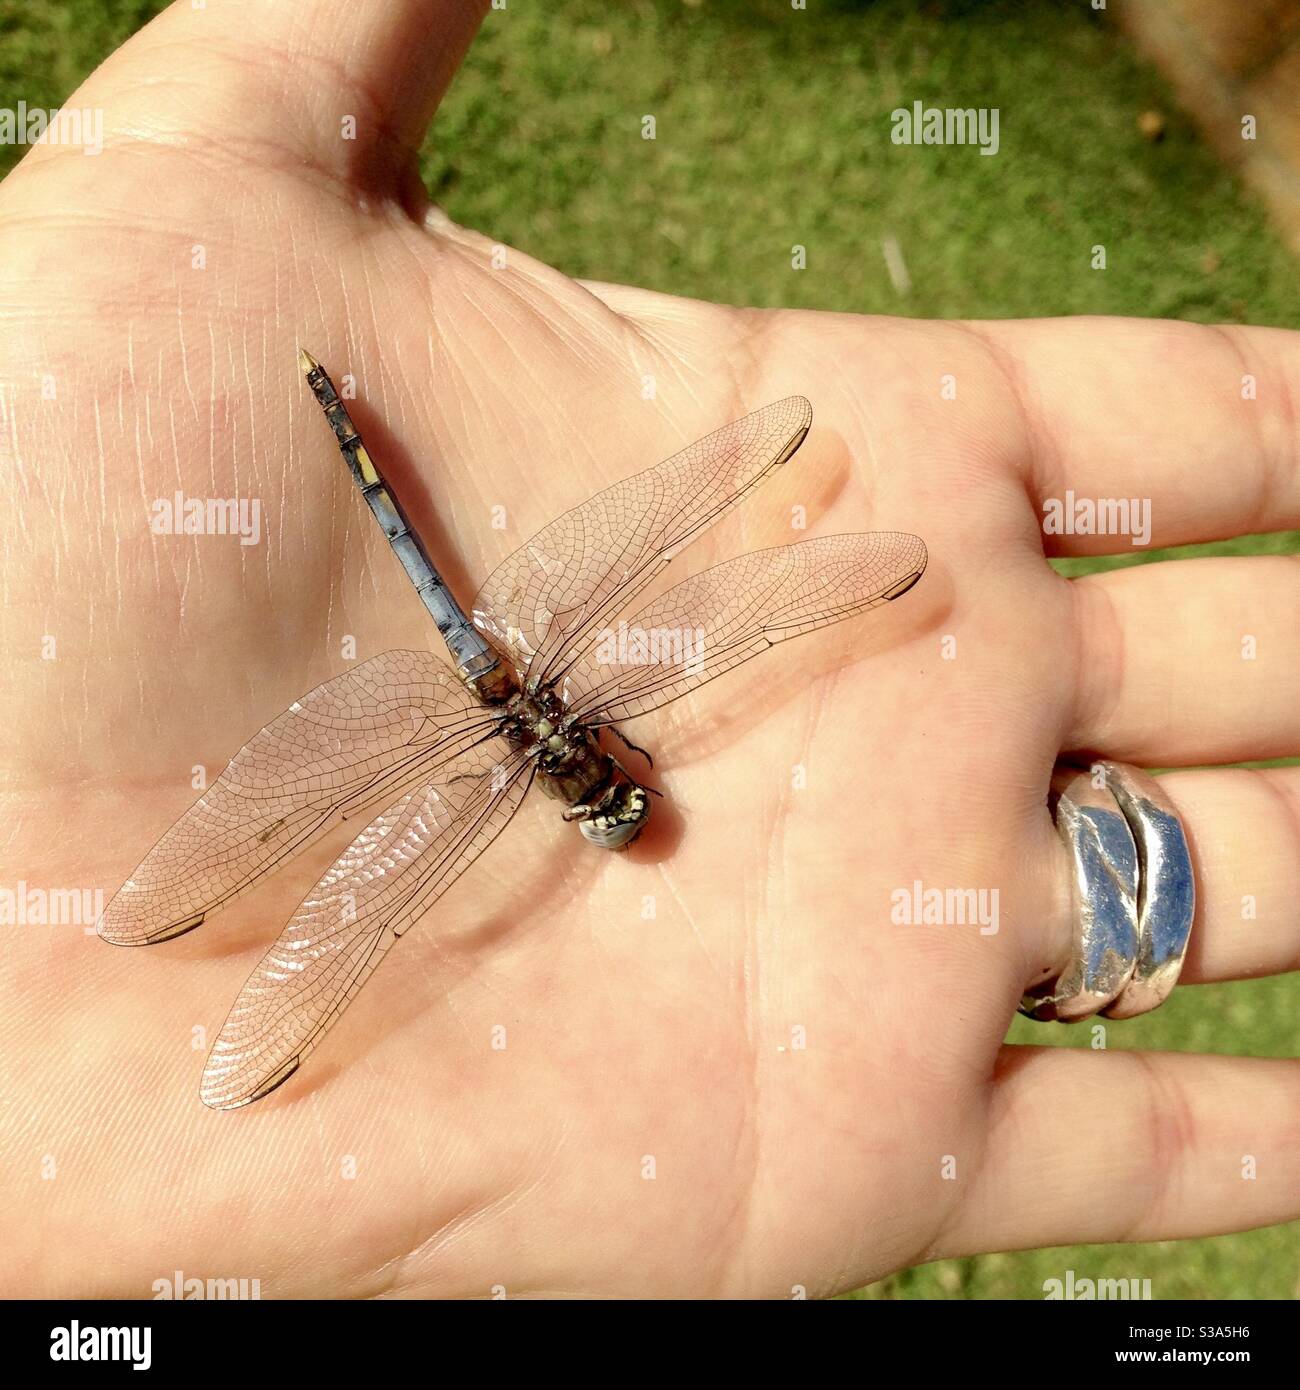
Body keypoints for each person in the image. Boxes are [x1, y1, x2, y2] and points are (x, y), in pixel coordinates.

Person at [1, 0, 1296, 1299]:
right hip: (503, 674)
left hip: (507, 683)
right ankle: (341, 430)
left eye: (610, 795)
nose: (619, 795)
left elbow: (790, 576)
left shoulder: (544, 740)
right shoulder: (545, 733)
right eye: (615, 793)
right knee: (375, 849)